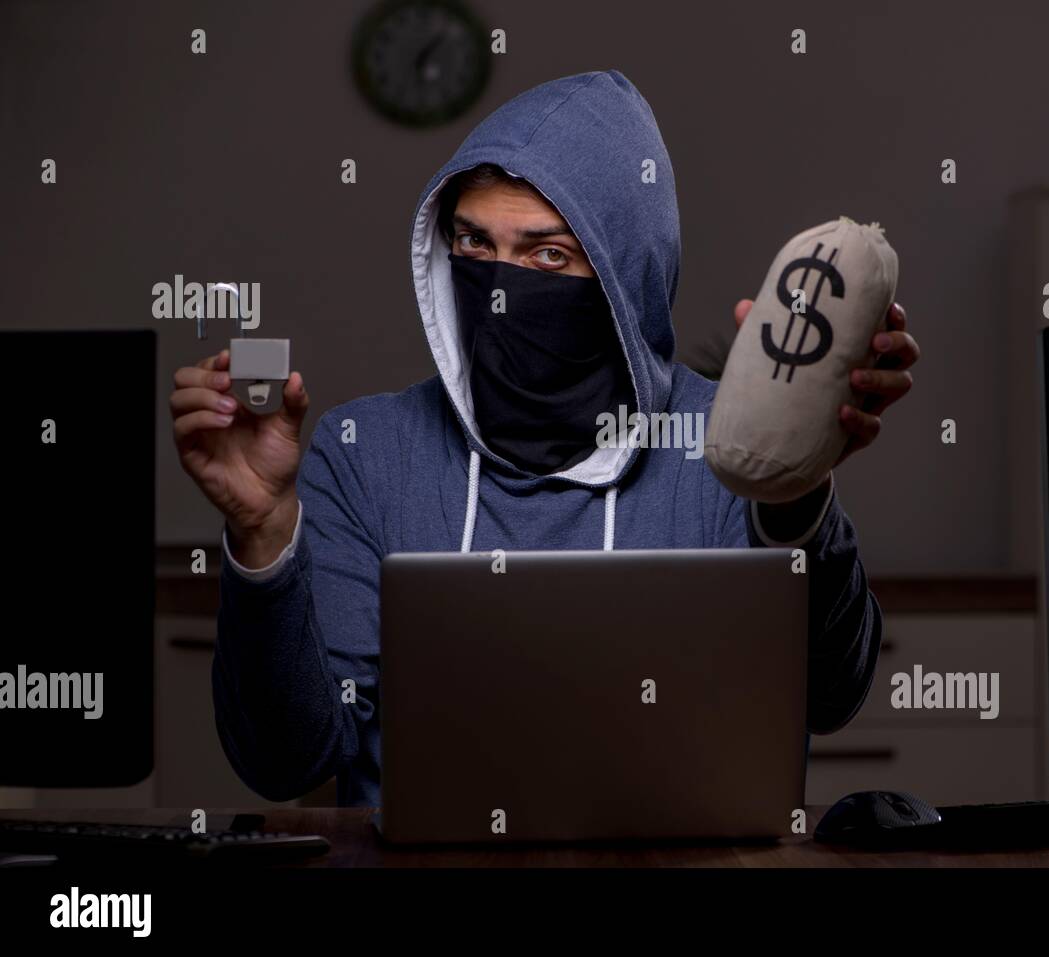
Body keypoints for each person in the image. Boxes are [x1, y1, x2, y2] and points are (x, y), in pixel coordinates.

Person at [169, 71, 920, 806]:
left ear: (627, 277)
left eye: (548, 255)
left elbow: (831, 693)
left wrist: (795, 477)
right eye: (474, 246)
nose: (501, 289)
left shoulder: (717, 447)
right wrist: (264, 529)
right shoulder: (367, 452)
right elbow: (285, 761)